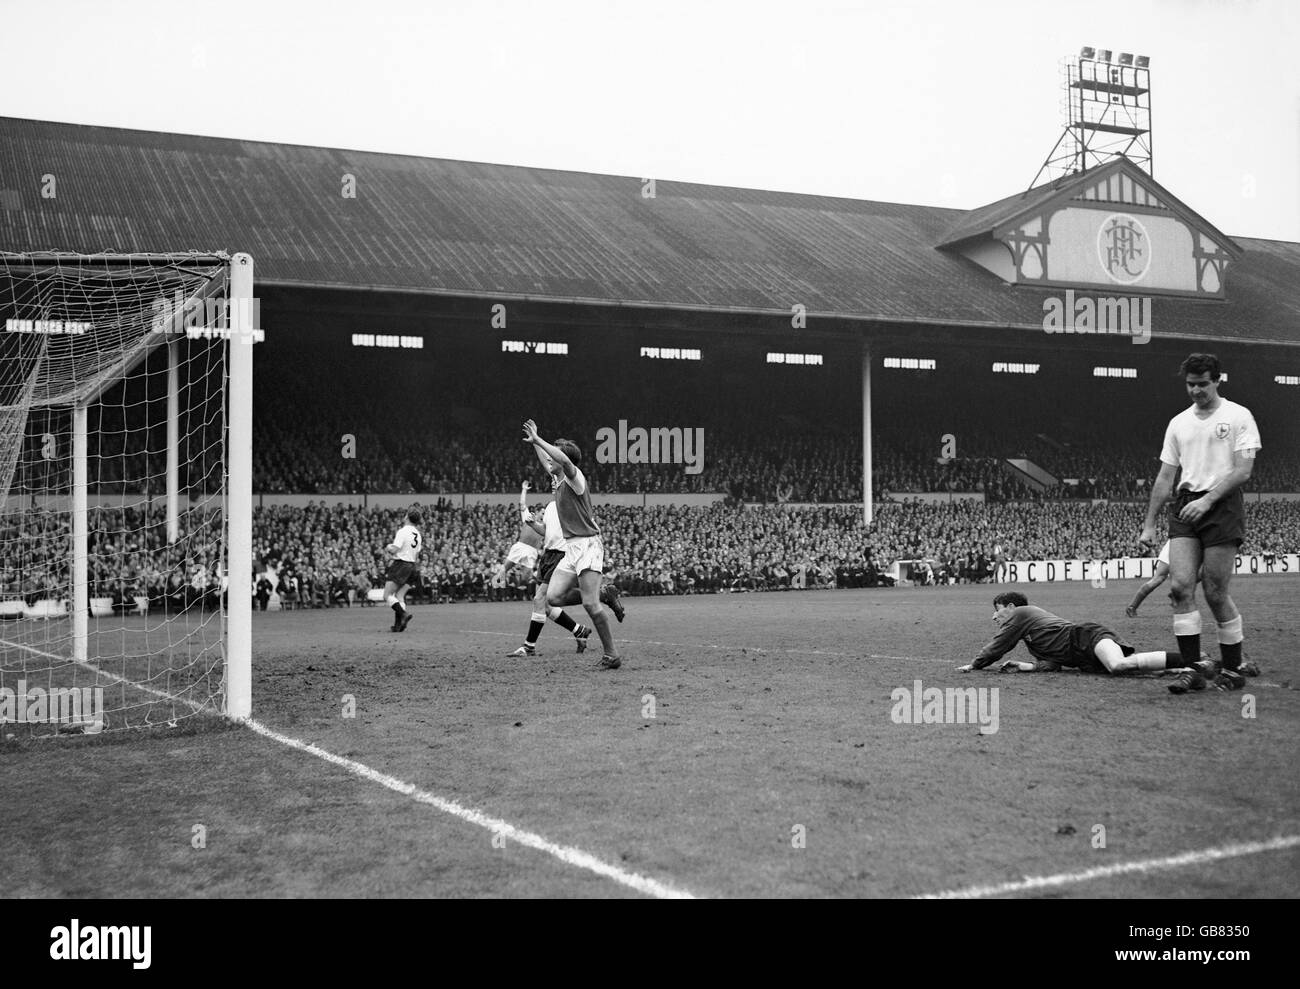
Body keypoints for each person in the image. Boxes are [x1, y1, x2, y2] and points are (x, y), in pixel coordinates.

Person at [1139, 353, 1261, 693]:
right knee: (1179, 588)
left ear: (1217, 379)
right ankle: (1193, 669)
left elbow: (1243, 470)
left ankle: (1233, 669)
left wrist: (1208, 500)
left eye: (1202, 384)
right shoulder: (1179, 423)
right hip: (1186, 504)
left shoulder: (1238, 416)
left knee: (1215, 592)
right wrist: (1149, 524)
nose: (1195, 390)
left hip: (1221, 506)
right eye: (1190, 384)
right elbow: (1166, 477)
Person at [521, 420, 623, 669]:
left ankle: (612, 655)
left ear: (564, 461)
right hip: (571, 549)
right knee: (553, 598)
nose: (549, 461)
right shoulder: (557, 480)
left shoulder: (575, 478)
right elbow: (550, 461)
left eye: (553, 457)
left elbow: (563, 461)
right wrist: (537, 443)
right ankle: (602, 593)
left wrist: (538, 440)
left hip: (588, 545)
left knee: (589, 605)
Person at [956, 591, 1194, 677]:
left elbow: (999, 646)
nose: (994, 617)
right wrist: (1026, 666)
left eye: (997, 611)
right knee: (1127, 668)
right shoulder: (1032, 638)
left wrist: (975, 665)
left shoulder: (1023, 614)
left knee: (1119, 666)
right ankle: (1186, 665)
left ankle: (1191, 658)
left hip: (1085, 637)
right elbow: (1052, 665)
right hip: (1083, 656)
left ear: (1011, 608)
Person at [508, 470, 592, 657]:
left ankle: (529, 646)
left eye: (557, 481)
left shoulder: (571, 504)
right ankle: (579, 630)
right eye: (553, 481)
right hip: (548, 555)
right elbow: (546, 531)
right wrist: (531, 524)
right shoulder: (551, 506)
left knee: (539, 599)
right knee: (546, 606)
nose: (554, 483)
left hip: (562, 556)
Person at [382, 506, 422, 632]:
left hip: (401, 565)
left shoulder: (403, 531)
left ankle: (404, 614)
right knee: (399, 595)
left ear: (407, 517)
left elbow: (394, 549)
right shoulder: (418, 534)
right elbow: (416, 554)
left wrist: (388, 547)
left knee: (387, 595)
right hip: (413, 566)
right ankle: (398, 625)